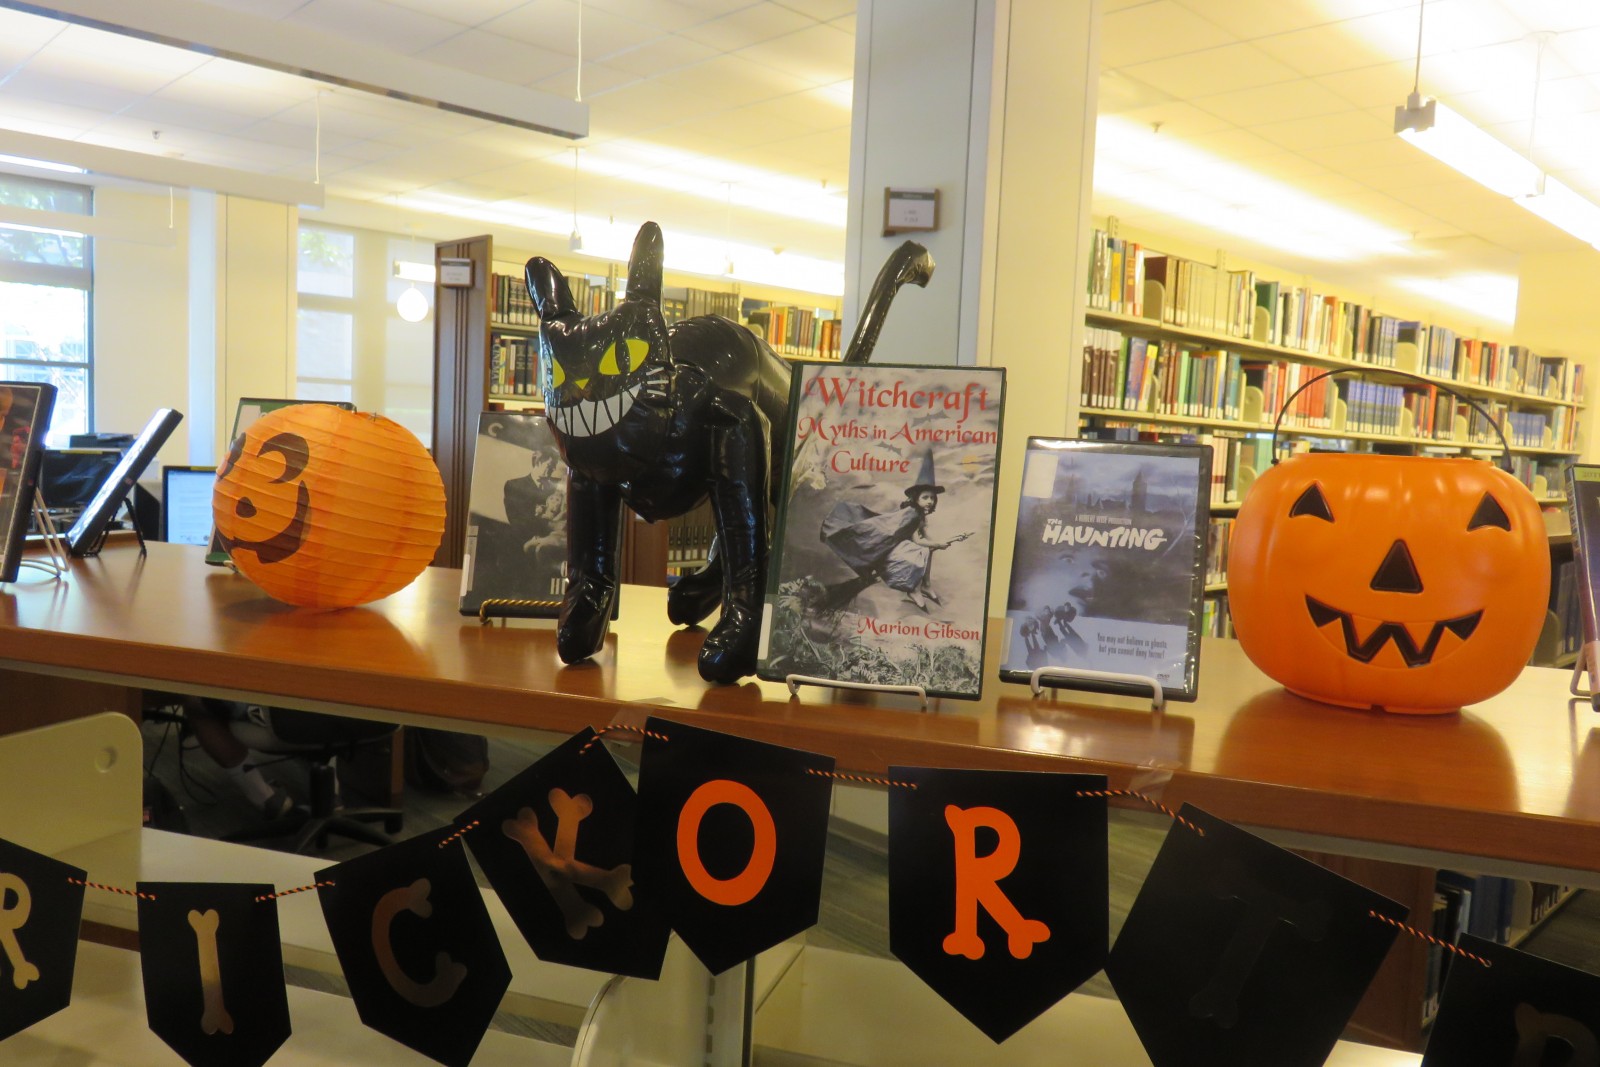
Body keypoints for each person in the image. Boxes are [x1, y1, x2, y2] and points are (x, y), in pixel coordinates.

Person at [811, 451, 971, 611]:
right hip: (893, 551)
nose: (930, 501)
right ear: (916, 498)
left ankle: (926, 585)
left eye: (932, 498)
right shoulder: (912, 514)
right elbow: (917, 540)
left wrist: (947, 540)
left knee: (928, 550)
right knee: (923, 550)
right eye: (925, 497)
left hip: (902, 547)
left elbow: (926, 537)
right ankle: (914, 589)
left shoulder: (920, 515)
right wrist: (938, 544)